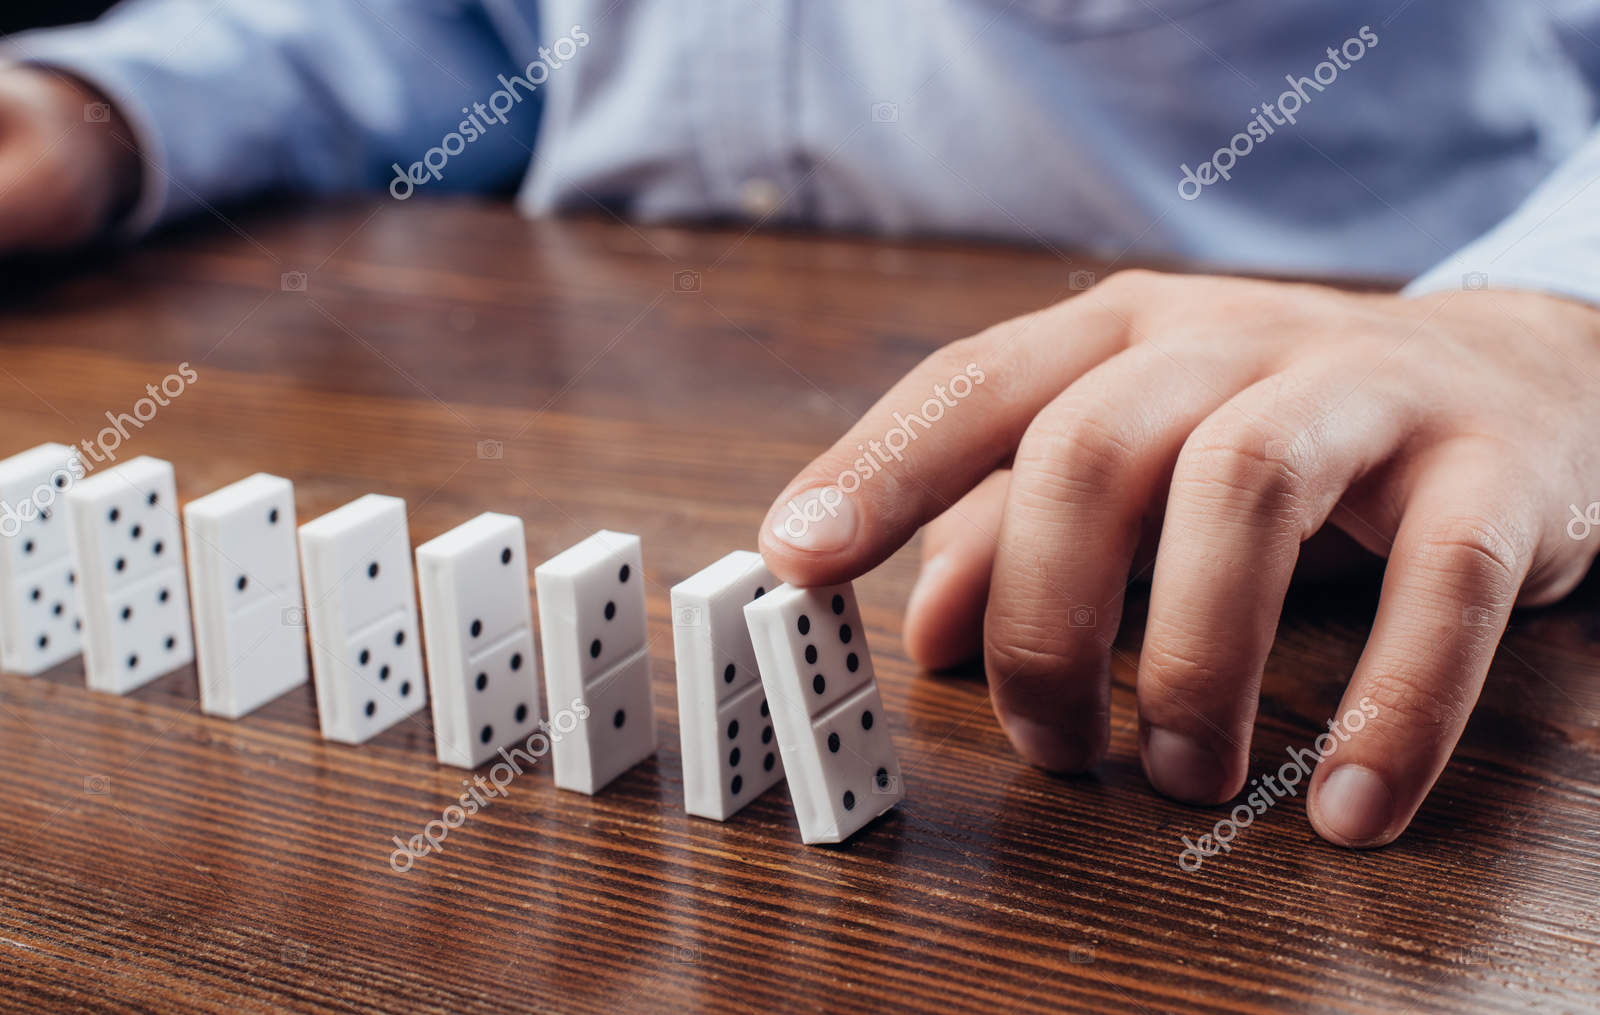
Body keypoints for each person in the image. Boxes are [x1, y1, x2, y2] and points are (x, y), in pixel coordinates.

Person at [2, 1, 1598, 850]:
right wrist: (114, 109)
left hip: (1335, 483)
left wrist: (1547, 318)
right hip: (563, 389)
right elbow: (473, 27)